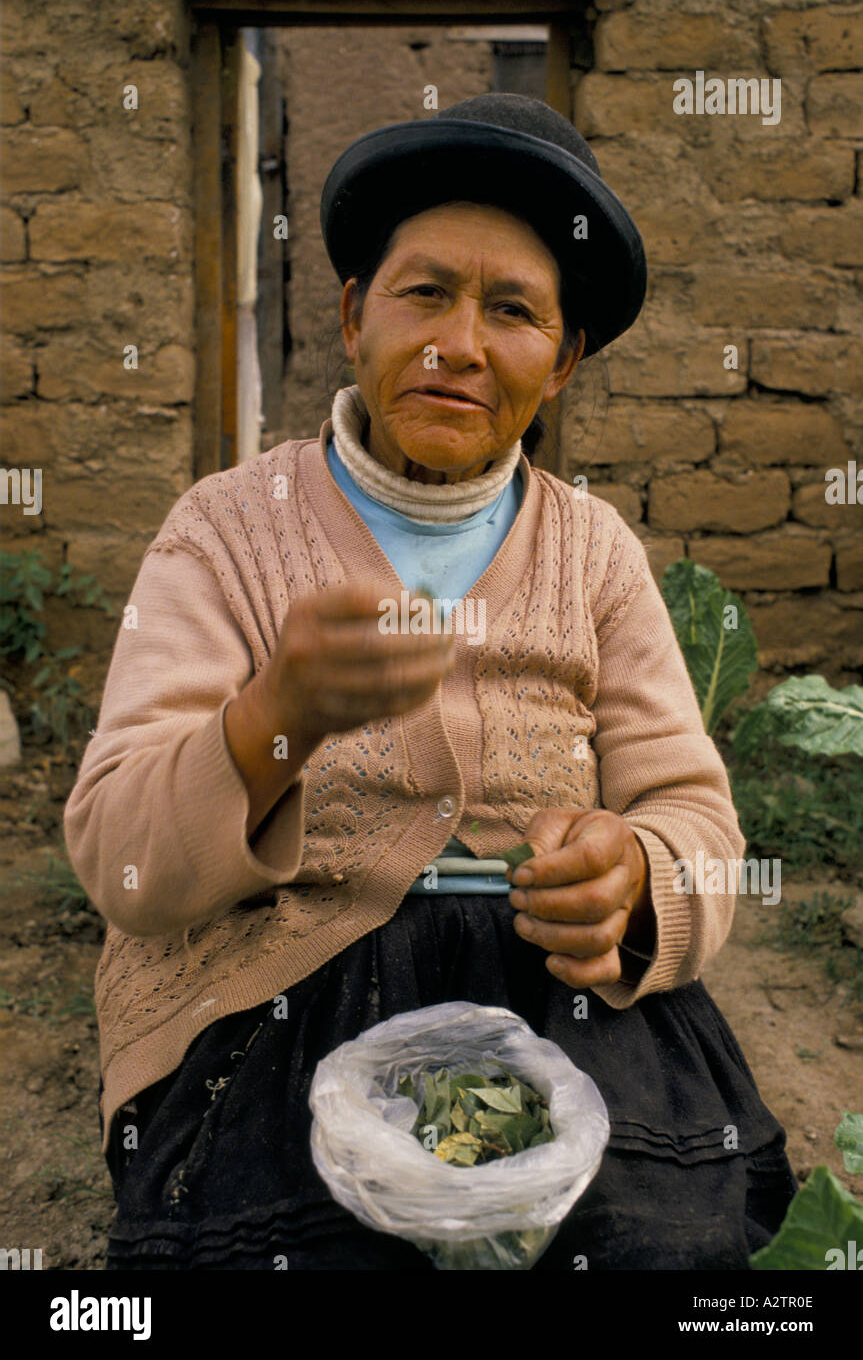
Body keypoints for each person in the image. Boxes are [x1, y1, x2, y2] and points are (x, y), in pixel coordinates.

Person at [64, 93, 797, 1271]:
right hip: (278, 995)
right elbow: (120, 858)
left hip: (547, 988)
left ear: (558, 364)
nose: (458, 342)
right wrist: (270, 727)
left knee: (649, 1242)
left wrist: (636, 882)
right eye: (422, 292)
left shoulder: (593, 550)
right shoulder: (222, 533)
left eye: (511, 311)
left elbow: (696, 820)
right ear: (354, 315)